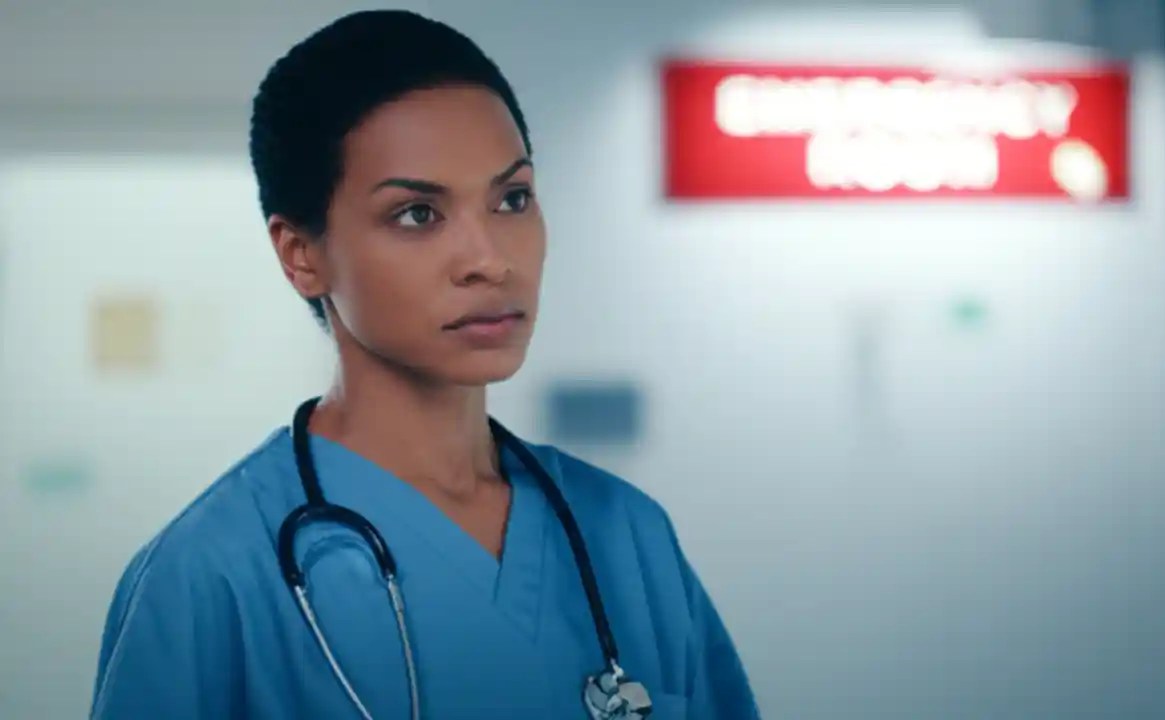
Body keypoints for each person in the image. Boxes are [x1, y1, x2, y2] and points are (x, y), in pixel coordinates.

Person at [89, 9, 759, 720]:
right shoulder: (209, 577)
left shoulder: (624, 536)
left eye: (512, 199)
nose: (490, 260)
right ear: (301, 255)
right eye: (417, 214)